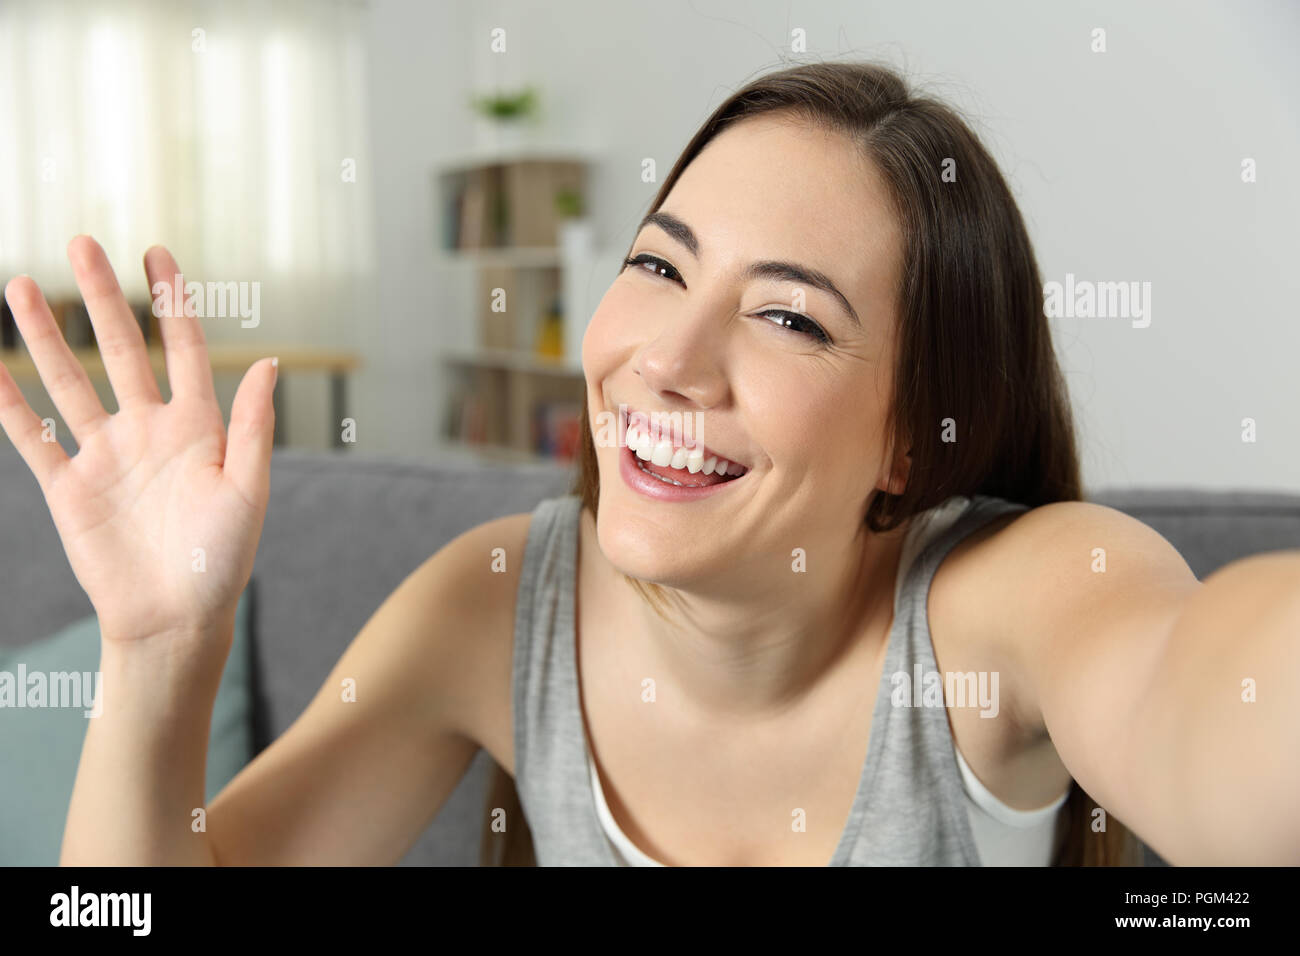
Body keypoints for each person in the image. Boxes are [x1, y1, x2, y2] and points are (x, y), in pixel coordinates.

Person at [1, 62, 1295, 867]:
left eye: (789, 316)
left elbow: (1217, 714)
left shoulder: (1007, 599)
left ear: (916, 437)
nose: (667, 358)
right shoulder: (498, 601)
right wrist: (161, 649)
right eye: (659, 265)